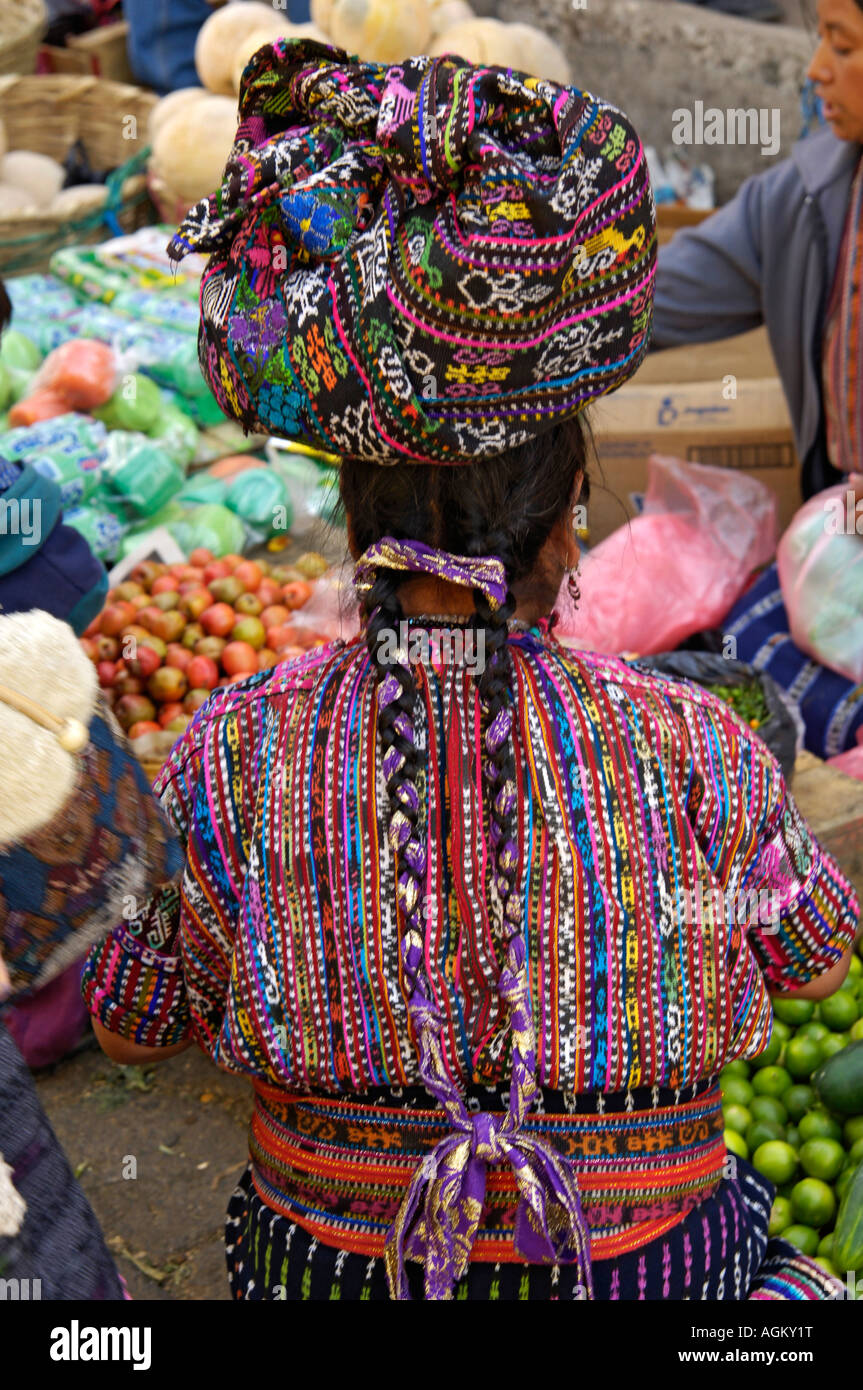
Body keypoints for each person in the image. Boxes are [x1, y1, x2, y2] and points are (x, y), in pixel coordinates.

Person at [85, 39, 858, 1301]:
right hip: (641, 1278)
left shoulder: (228, 755)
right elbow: (819, 962)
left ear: (345, 510)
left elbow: (128, 1022)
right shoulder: (700, 748)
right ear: (566, 523)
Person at [652, 0, 863, 758]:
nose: (815, 70)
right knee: (738, 654)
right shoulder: (806, 200)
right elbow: (640, 298)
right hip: (844, 561)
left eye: (842, 46)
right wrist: (492, 311)